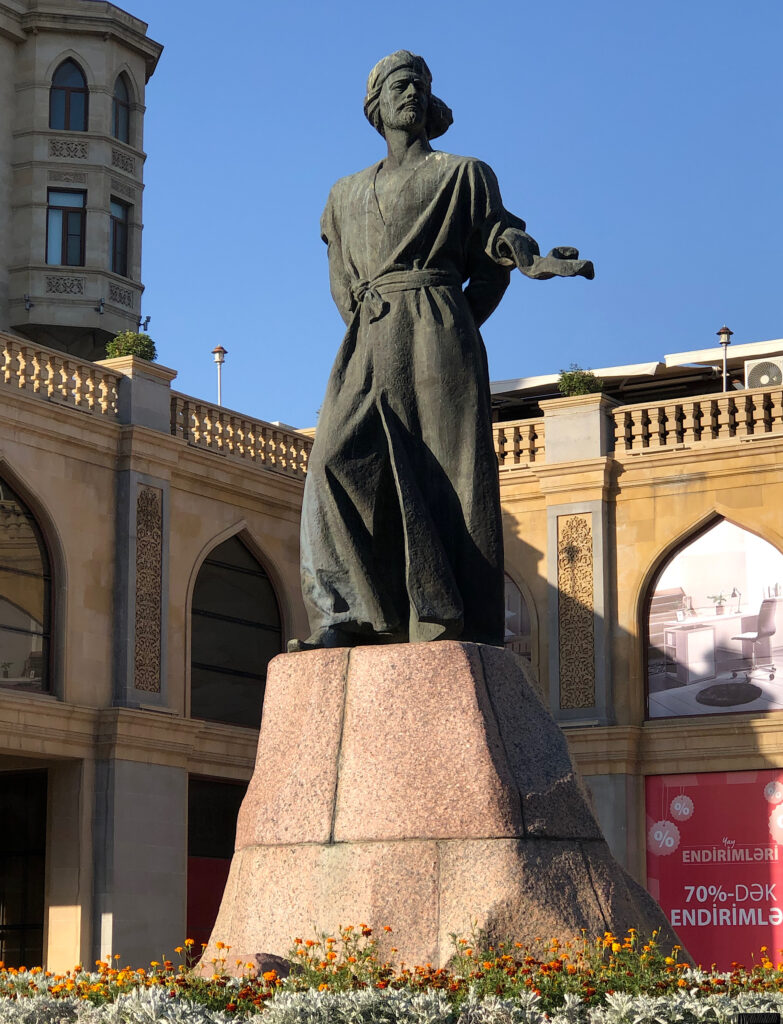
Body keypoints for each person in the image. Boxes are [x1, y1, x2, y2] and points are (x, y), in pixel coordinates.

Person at [290, 51, 592, 652]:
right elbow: (340, 282)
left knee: (451, 476)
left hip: (439, 332)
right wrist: (376, 328)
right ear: (375, 106)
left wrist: (465, 313)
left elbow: (496, 246)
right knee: (334, 462)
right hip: (370, 335)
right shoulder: (344, 194)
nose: (411, 94)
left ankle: (448, 616)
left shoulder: (463, 174)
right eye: (399, 85)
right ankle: (349, 612)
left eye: (419, 86)